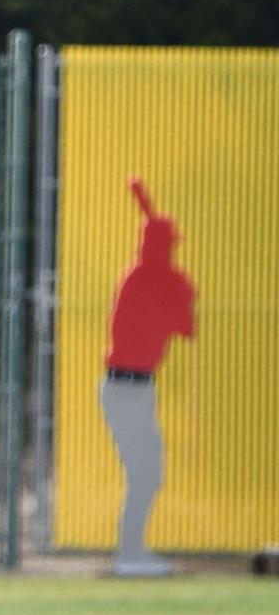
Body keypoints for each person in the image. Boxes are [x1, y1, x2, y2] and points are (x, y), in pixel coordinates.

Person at [102, 178, 195, 577]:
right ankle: (129, 556)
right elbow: (181, 322)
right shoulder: (139, 281)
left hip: (139, 389)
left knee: (149, 471)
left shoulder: (160, 281)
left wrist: (178, 289)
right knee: (144, 472)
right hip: (123, 388)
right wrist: (177, 288)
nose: (172, 250)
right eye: (169, 244)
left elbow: (185, 327)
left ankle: (132, 551)